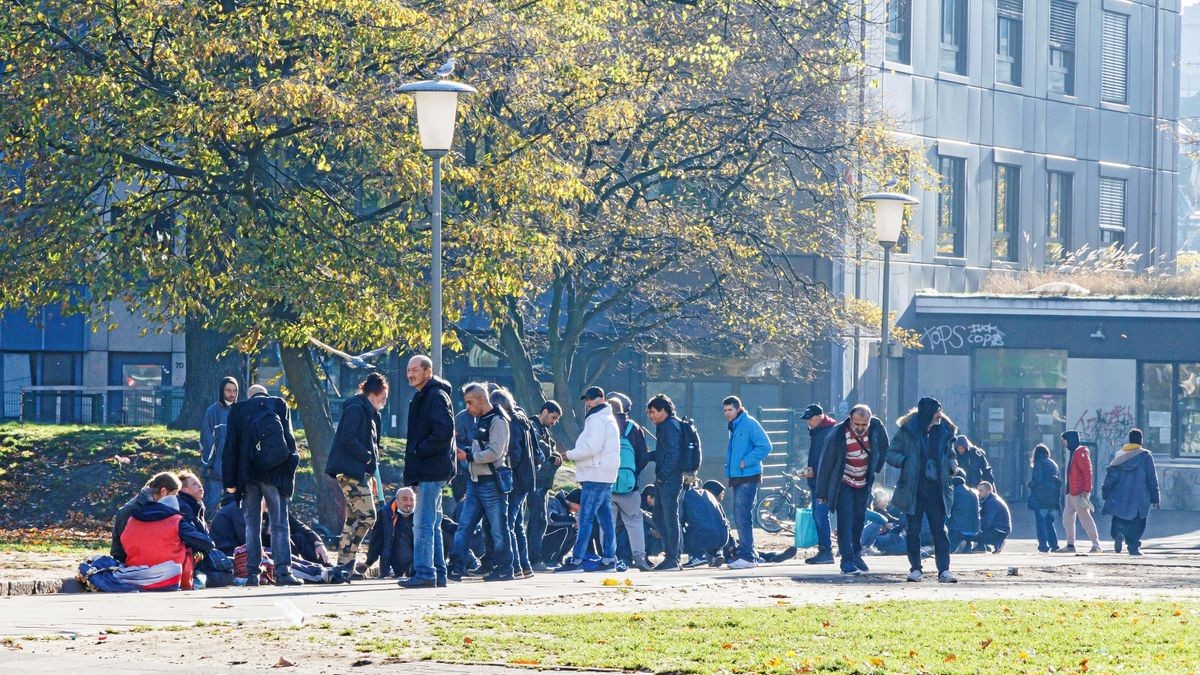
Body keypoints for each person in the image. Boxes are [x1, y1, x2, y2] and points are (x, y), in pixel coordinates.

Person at [223, 384, 302, 586]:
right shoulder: (278, 405)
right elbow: (289, 442)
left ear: (249, 396)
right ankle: (284, 572)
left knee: (252, 526)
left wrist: (230, 482)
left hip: (248, 475)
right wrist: (288, 475)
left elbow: (230, 446)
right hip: (274, 474)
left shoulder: (238, 409)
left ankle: (252, 574)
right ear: (265, 394)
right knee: (279, 524)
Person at [886, 396, 959, 583]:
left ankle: (944, 570)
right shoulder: (907, 432)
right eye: (936, 411)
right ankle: (916, 569)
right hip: (913, 489)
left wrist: (951, 467)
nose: (940, 415)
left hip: (937, 489)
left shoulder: (944, 432)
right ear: (929, 413)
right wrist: (904, 461)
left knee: (939, 531)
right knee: (913, 530)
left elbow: (951, 455)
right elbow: (891, 453)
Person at [399, 355, 455, 589]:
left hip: (431, 469)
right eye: (408, 370)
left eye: (414, 370)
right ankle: (439, 573)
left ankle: (424, 572)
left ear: (427, 371)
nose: (410, 374)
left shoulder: (435, 396)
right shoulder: (424, 396)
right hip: (430, 469)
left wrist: (420, 451)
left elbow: (443, 431)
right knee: (432, 523)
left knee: (421, 524)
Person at [326, 372, 389, 582]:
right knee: (369, 516)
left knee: (353, 518)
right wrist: (367, 457)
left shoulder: (371, 413)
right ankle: (348, 560)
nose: (384, 402)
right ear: (375, 393)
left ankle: (343, 565)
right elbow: (348, 437)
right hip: (350, 469)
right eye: (383, 398)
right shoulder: (356, 408)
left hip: (359, 471)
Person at [450, 382, 514, 582]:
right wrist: (468, 453)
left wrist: (467, 457)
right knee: (464, 526)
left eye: (469, 402)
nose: (467, 407)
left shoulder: (498, 420)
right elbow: (482, 451)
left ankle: (505, 568)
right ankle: (456, 567)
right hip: (476, 481)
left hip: (491, 483)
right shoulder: (482, 419)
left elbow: (495, 452)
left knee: (498, 529)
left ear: (480, 399)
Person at [815, 404, 889, 575]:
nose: (861, 428)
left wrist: (875, 469)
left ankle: (856, 554)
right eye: (858, 425)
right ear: (850, 420)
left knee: (858, 519)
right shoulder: (838, 434)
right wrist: (822, 493)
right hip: (844, 482)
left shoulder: (877, 428)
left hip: (863, 482)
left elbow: (884, 448)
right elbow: (825, 463)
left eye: (865, 424)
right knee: (845, 520)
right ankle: (846, 560)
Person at [556, 386, 621, 573]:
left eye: (591, 399)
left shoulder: (597, 420)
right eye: (586, 399)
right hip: (605, 475)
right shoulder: (608, 418)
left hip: (595, 474)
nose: (588, 403)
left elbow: (592, 447)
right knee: (606, 520)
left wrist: (569, 454)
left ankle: (577, 560)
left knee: (585, 519)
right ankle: (609, 559)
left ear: (602, 398)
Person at [120, 472, 215, 590]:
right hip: (170, 575)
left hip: (134, 570)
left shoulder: (132, 517)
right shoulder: (174, 519)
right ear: (164, 492)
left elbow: (121, 545)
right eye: (174, 495)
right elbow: (208, 543)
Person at [722, 396, 773, 571]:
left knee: (742, 515)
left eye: (730, 409)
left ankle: (747, 556)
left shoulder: (749, 423)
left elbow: (766, 446)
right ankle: (748, 553)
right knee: (740, 515)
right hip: (738, 476)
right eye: (725, 410)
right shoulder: (735, 426)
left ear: (738, 409)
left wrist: (747, 461)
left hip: (748, 476)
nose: (727, 413)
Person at [492, 386, 537, 579]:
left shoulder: (511, 423)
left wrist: (504, 469)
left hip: (516, 480)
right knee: (517, 524)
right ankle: (525, 566)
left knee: (507, 524)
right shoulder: (522, 420)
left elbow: (514, 454)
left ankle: (514, 566)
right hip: (525, 479)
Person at [608, 393, 653, 572]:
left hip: (608, 484)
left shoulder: (605, 425)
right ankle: (640, 558)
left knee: (607, 523)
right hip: (630, 485)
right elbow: (643, 456)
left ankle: (609, 558)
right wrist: (634, 473)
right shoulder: (633, 428)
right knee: (634, 522)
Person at [1101, 429, 1160, 556]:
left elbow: (1111, 476)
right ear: (1141, 440)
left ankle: (1118, 534)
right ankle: (1133, 546)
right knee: (1138, 521)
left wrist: (1105, 490)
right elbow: (1151, 478)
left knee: (1119, 517)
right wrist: (1155, 497)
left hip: (1120, 494)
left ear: (1129, 440)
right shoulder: (1145, 456)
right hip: (1140, 496)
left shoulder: (1119, 455)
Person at [646, 393, 684, 571]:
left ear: (663, 411)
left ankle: (672, 558)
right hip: (666, 478)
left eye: (653, 412)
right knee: (659, 517)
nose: (651, 416)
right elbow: (664, 453)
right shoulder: (665, 426)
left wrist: (663, 475)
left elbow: (673, 454)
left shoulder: (670, 426)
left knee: (669, 517)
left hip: (670, 479)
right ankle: (670, 553)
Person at [527, 401, 563, 572]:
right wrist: (552, 456)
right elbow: (542, 450)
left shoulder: (545, 432)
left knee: (540, 521)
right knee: (537, 521)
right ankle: (533, 559)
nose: (554, 422)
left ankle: (532, 558)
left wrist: (554, 455)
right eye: (553, 417)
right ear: (545, 411)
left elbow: (552, 450)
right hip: (535, 482)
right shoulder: (532, 427)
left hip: (542, 483)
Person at [801, 403, 838, 565]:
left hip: (823, 482)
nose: (808, 422)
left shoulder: (827, 432)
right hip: (817, 480)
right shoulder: (818, 431)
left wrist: (814, 471)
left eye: (810, 419)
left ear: (819, 417)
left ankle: (826, 550)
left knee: (821, 515)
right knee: (819, 515)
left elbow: (827, 459)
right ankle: (825, 550)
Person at [199, 377, 239, 511]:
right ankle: (202, 529)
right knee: (211, 502)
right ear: (222, 391)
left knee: (233, 505)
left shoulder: (240, 411)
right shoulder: (212, 411)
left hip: (235, 470)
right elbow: (206, 440)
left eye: (234, 390)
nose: (232, 393)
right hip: (216, 468)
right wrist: (207, 464)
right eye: (228, 390)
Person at [1060, 430, 1102, 554]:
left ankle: (1096, 544)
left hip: (1079, 492)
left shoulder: (1080, 452)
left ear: (1070, 440)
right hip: (1071, 492)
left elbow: (1087, 472)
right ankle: (1070, 544)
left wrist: (1086, 490)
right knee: (1067, 519)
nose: (1064, 443)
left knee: (1085, 519)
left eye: (1065, 440)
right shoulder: (1074, 452)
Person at [680, 479, 731, 567]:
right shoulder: (709, 495)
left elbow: (680, 520)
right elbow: (724, 519)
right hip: (723, 537)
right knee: (712, 526)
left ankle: (699, 555)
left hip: (704, 537)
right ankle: (717, 553)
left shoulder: (686, 496)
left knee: (681, 531)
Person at [111, 479, 158, 563]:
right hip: (126, 562)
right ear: (163, 491)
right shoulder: (133, 509)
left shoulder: (147, 506)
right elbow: (125, 541)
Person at [1027, 444, 1062, 553]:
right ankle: (1054, 545)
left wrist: (1030, 484)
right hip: (1052, 498)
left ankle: (1043, 545)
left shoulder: (1039, 463)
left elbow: (1038, 480)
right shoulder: (1053, 464)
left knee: (1041, 522)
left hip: (1041, 498)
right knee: (1049, 522)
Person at [860, 489, 908, 555]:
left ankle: (866, 548)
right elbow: (882, 519)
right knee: (879, 525)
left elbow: (893, 520)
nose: (887, 504)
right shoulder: (871, 511)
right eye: (885, 501)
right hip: (870, 538)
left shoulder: (883, 511)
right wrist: (885, 524)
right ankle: (864, 547)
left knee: (898, 537)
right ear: (878, 501)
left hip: (874, 538)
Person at [947, 475, 980, 553]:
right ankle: (967, 544)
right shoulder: (973, 493)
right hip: (974, 528)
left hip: (959, 529)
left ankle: (958, 543)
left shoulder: (955, 493)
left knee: (949, 549)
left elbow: (949, 508)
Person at [975, 482, 1011, 553]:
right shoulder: (990, 499)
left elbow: (987, 521)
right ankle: (982, 546)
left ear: (988, 491)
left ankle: (997, 542)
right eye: (978, 490)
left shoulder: (992, 502)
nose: (978, 493)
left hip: (999, 530)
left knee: (970, 535)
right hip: (1001, 528)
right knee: (976, 533)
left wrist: (976, 529)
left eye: (981, 491)